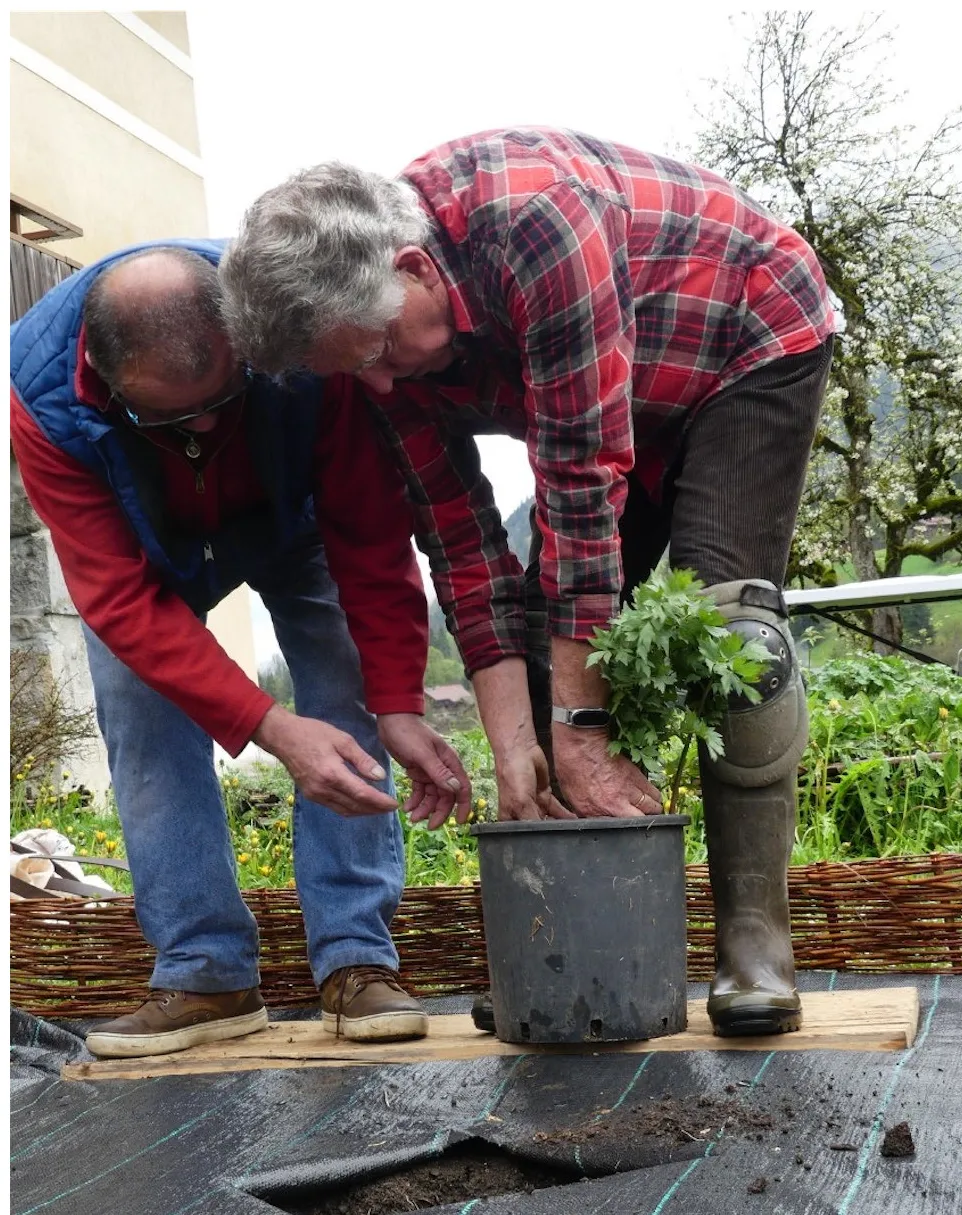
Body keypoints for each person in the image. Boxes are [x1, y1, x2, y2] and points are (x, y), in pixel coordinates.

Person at [218, 127, 836, 1038]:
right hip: (610, 400)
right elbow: (461, 544)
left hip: (738, 343)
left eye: (381, 354)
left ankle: (754, 940)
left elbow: (579, 484)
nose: (378, 386)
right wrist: (516, 745)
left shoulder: (536, 221)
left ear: (415, 270)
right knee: (553, 647)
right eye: (354, 369)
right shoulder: (372, 342)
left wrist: (580, 730)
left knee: (730, 633)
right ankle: (576, 946)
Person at [10, 240, 471, 1058]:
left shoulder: (302, 326)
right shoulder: (38, 396)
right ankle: (206, 973)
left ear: (247, 343)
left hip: (296, 521)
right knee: (141, 711)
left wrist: (398, 702)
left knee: (345, 671)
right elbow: (118, 599)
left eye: (223, 399)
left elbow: (369, 536)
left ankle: (357, 960)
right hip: (146, 551)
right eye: (170, 419)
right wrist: (270, 728)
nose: (205, 427)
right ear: (106, 383)